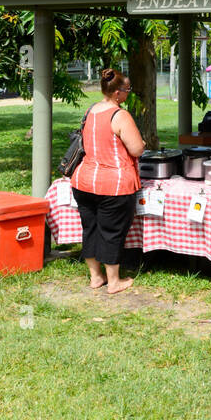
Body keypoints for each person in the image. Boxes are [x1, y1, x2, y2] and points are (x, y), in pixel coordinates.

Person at [71, 68, 144, 293]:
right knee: (111, 232)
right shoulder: (120, 115)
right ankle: (114, 281)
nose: (128, 94)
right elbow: (136, 149)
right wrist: (143, 144)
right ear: (118, 94)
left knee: (90, 229)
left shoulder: (90, 110)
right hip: (114, 184)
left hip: (83, 181)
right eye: (127, 90)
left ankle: (96, 277)